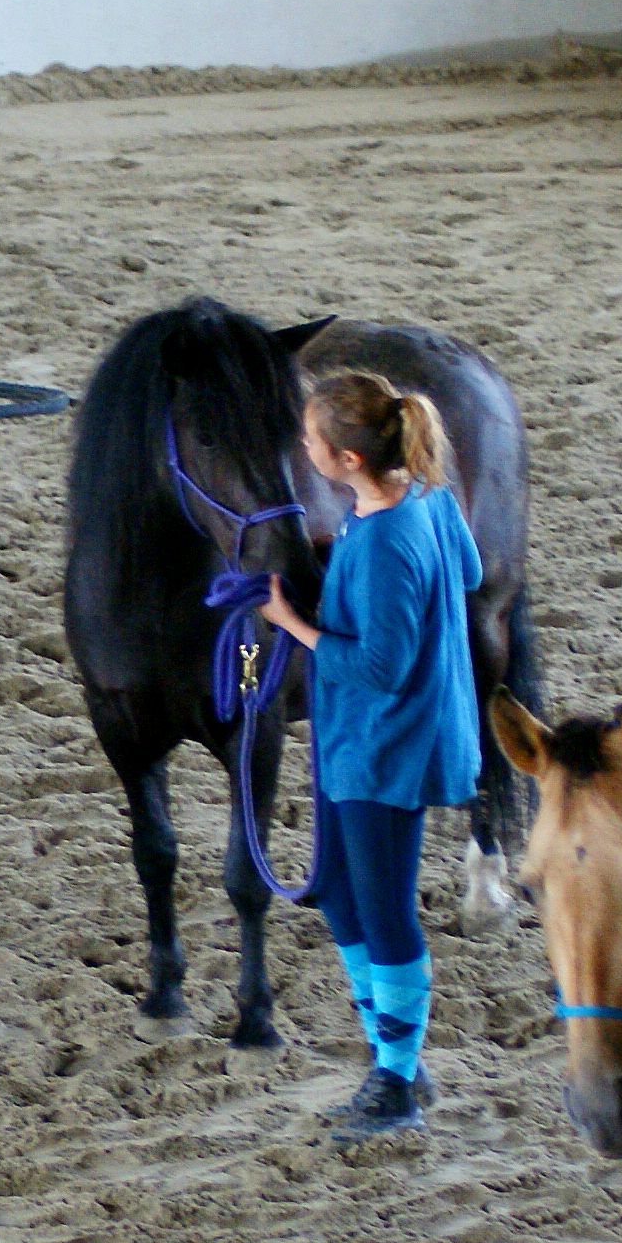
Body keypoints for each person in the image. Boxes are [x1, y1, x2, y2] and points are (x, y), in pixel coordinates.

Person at [260, 369, 482, 1142]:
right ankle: (392, 1051)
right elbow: (472, 573)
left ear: (348, 459)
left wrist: (296, 625)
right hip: (359, 740)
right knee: (340, 895)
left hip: (384, 748)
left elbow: (382, 667)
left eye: (312, 440)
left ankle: (397, 1078)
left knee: (382, 909)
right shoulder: (425, 496)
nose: (305, 449)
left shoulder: (387, 542)